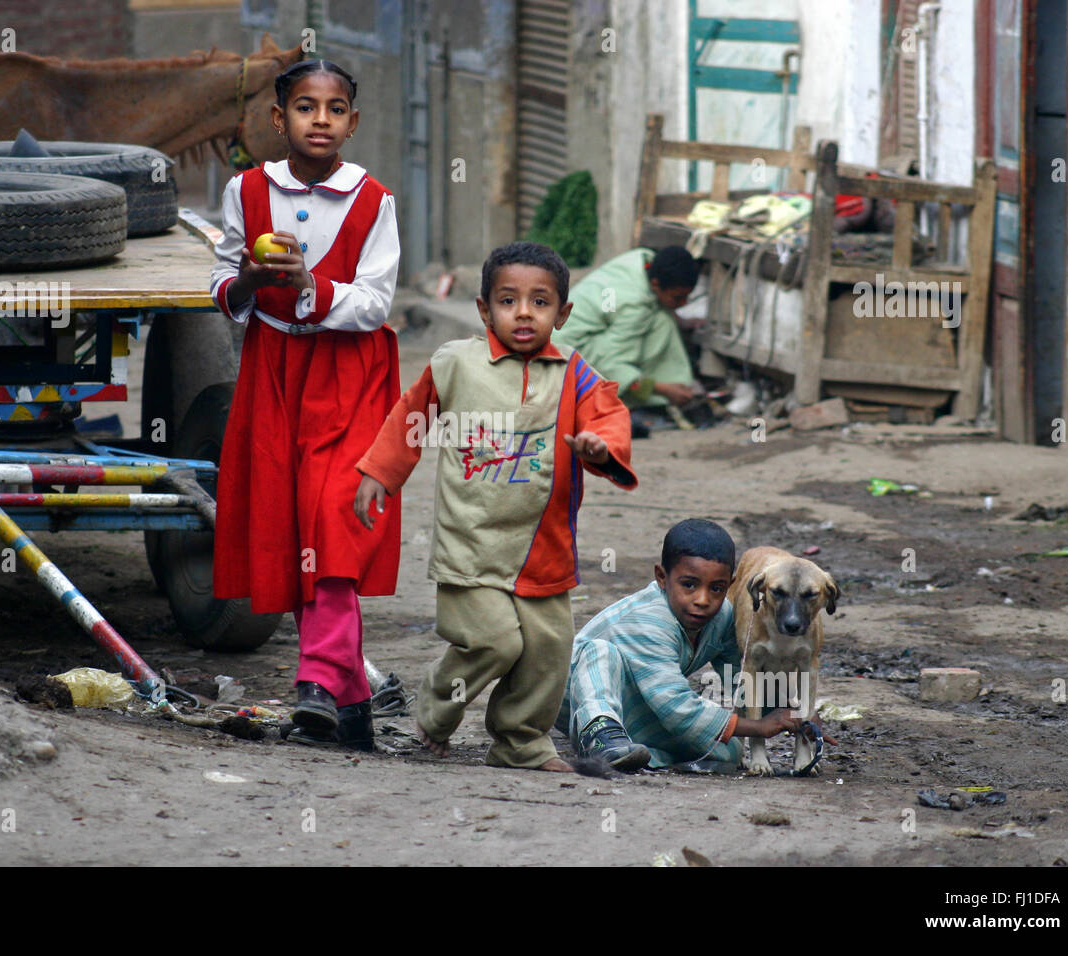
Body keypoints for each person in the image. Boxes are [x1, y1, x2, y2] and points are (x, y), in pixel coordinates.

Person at [354, 242, 638, 772]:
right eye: (509, 301)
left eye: (540, 301)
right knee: (494, 642)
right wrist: (379, 472)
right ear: (484, 309)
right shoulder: (457, 363)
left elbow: (610, 416)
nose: (524, 312)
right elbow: (410, 416)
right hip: (471, 540)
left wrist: (601, 446)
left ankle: (521, 742)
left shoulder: (575, 375)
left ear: (564, 313)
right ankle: (436, 709)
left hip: (542, 549)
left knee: (547, 653)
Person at [208, 59, 400, 752]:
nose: (321, 119)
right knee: (287, 522)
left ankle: (315, 680)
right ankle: (349, 708)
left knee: (334, 518)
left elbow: (377, 301)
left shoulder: (373, 200)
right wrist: (251, 281)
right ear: (277, 119)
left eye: (337, 107)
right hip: (273, 364)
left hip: (348, 370)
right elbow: (221, 276)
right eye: (306, 107)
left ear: (353, 121)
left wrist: (313, 283)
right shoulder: (246, 190)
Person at [556, 518, 802, 771]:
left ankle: (636, 756)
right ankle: (602, 737)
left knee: (727, 751)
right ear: (662, 577)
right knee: (599, 651)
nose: (703, 599)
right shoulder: (648, 619)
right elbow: (675, 704)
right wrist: (759, 726)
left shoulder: (722, 616)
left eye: (716, 588)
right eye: (689, 585)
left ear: (730, 585)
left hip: (640, 702)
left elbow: (738, 676)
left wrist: (792, 714)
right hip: (582, 703)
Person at [551, 246, 703, 436]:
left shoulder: (642, 259)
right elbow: (611, 363)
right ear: (656, 284)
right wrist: (663, 390)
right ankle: (644, 398)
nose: (684, 304)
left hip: (562, 331)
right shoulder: (633, 307)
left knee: (663, 319)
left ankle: (667, 387)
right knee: (660, 323)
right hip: (565, 354)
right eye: (678, 297)